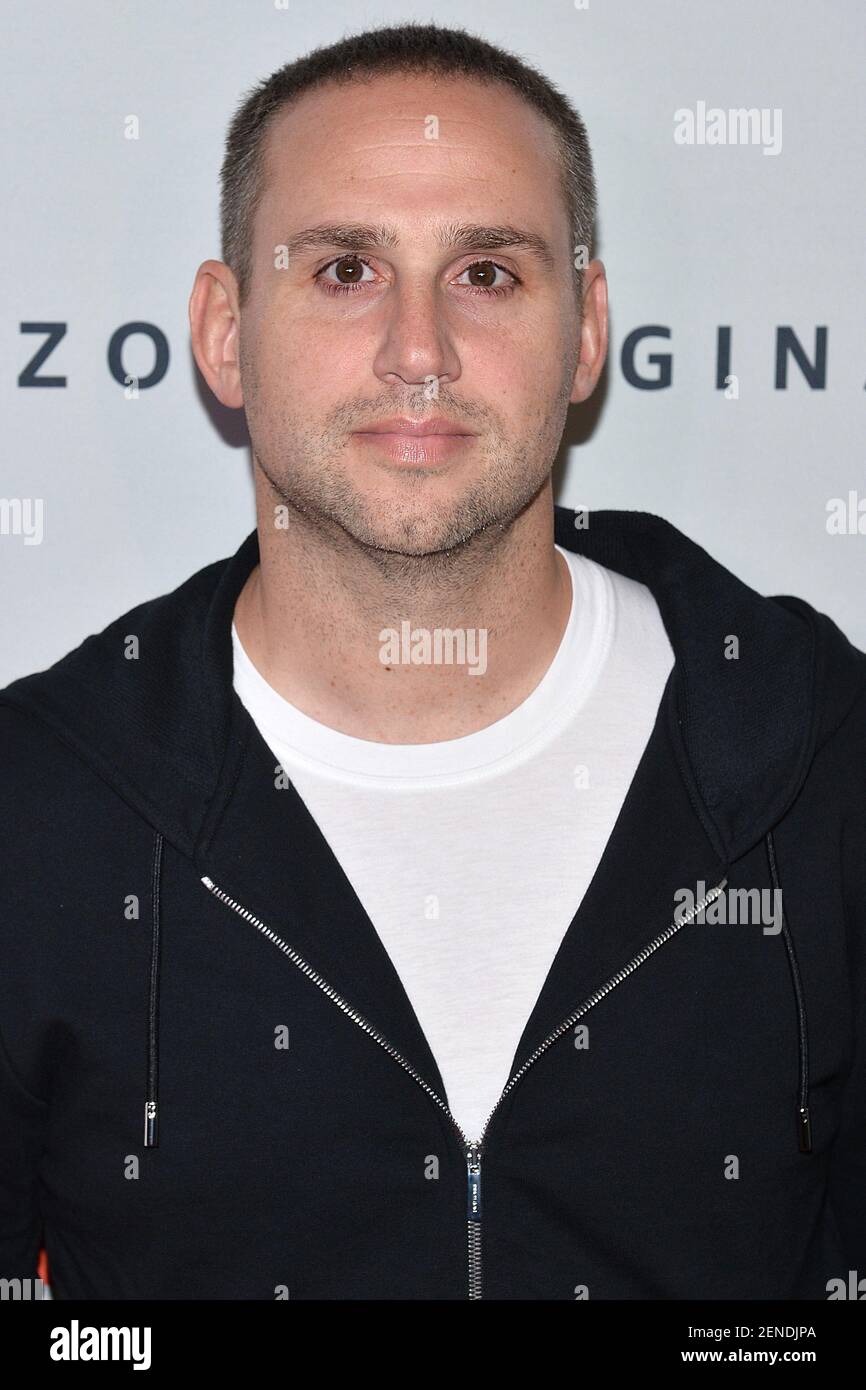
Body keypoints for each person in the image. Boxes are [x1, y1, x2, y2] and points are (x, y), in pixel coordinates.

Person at [1, 21, 864, 1302]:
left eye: (487, 274)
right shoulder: (38, 806)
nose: (420, 352)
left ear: (586, 332)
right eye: (346, 268)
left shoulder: (824, 756)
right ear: (225, 330)